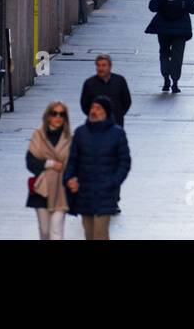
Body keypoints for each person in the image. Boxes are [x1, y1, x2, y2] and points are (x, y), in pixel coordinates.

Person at [63, 96, 131, 241]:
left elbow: (124, 162)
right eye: (93, 107)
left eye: (98, 108)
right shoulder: (81, 133)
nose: (94, 111)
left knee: (100, 234)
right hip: (84, 192)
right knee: (88, 233)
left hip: (105, 193)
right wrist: (69, 178)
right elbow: (72, 160)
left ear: (106, 112)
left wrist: (114, 181)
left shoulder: (117, 133)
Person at [146, 0, 194, 92]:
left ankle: (166, 80)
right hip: (181, 30)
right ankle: (175, 83)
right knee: (177, 56)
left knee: (164, 53)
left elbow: (152, 7)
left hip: (163, 29)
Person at [26, 101, 72, 240]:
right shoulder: (38, 136)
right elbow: (30, 162)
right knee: (45, 231)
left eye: (61, 114)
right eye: (54, 113)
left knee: (56, 232)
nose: (58, 117)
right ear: (47, 116)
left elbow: (75, 163)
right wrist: (50, 164)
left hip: (61, 190)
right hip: (41, 189)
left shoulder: (70, 139)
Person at [79, 54, 132, 126]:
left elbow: (127, 101)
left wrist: (118, 114)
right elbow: (84, 104)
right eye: (98, 65)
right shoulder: (89, 83)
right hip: (96, 125)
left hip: (116, 123)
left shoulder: (120, 81)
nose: (100, 68)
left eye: (103, 65)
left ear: (110, 66)